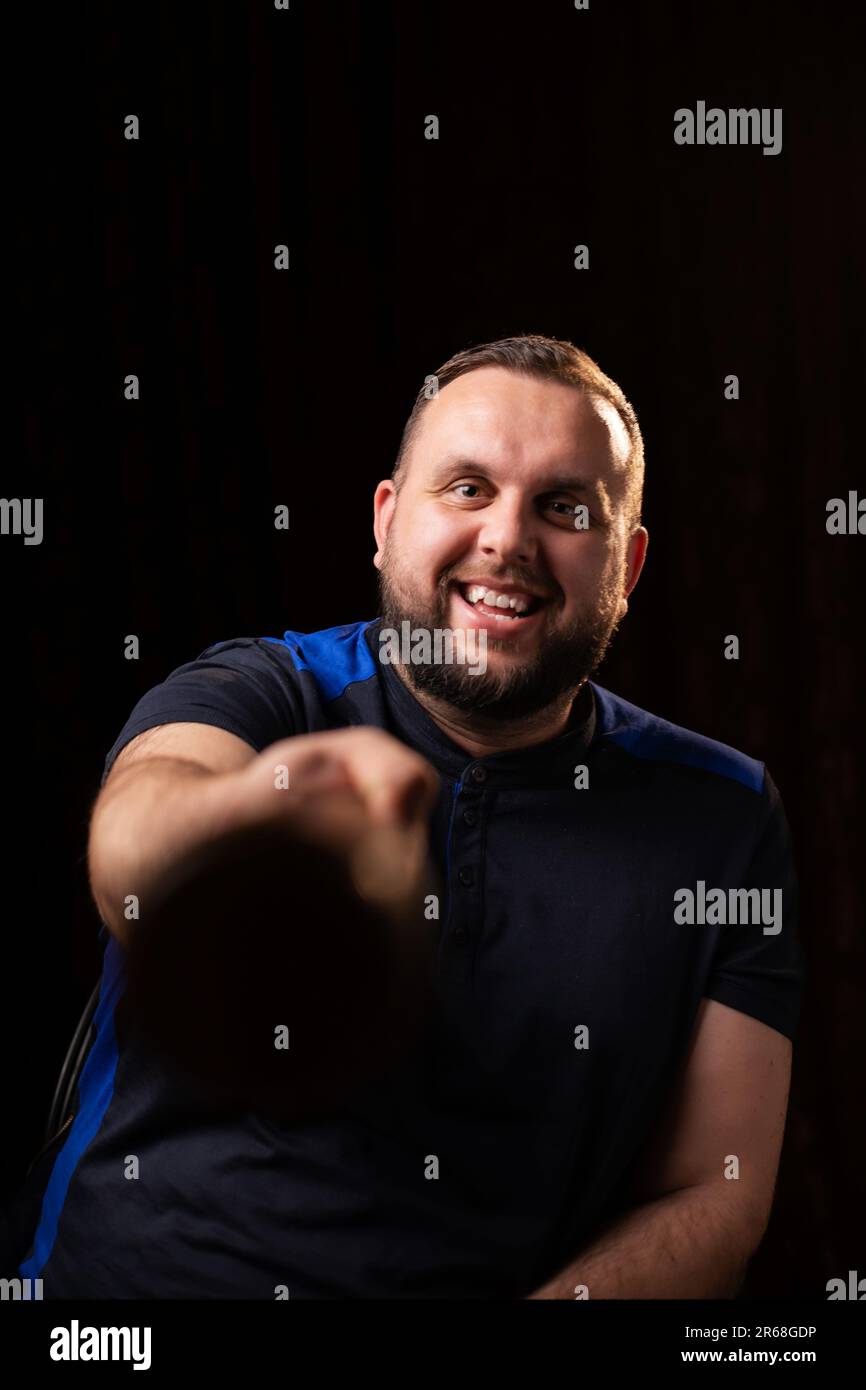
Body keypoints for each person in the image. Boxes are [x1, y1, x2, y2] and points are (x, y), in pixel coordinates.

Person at [17, 334, 804, 1298]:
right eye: (467, 488)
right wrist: (266, 810)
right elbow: (137, 844)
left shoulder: (725, 819)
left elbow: (715, 1194)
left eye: (564, 507)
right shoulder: (261, 692)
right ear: (387, 522)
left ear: (627, 566)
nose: (508, 540)